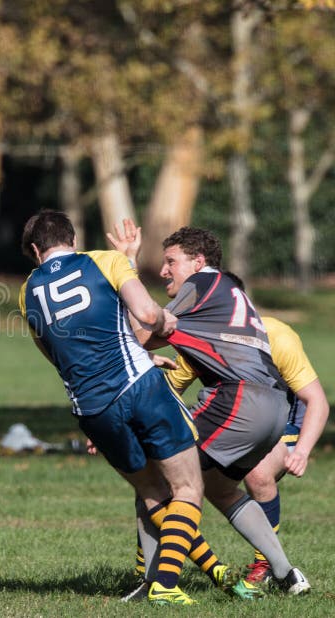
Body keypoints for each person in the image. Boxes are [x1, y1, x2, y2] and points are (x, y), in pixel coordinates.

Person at [19, 209, 236, 606]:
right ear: (73, 238)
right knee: (188, 488)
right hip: (139, 389)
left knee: (154, 494)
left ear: (36, 250)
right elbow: (148, 315)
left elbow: (58, 354)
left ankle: (214, 571)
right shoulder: (104, 260)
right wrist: (167, 321)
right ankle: (166, 586)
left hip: (91, 409)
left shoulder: (27, 291)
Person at [110, 221, 311, 596]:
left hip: (238, 401)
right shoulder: (227, 291)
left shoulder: (201, 284)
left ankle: (157, 582)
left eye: (172, 261)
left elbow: (144, 331)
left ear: (198, 261)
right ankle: (287, 575)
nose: (165, 270)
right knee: (220, 489)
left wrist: (127, 266)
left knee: (157, 475)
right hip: (272, 409)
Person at [170, 272, 329, 585]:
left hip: (285, 425)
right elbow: (169, 385)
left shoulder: (277, 335)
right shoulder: (210, 339)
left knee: (257, 473)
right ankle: (151, 571)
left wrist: (304, 451)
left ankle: (265, 567)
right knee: (171, 467)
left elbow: (317, 402)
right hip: (240, 421)